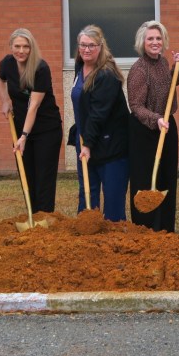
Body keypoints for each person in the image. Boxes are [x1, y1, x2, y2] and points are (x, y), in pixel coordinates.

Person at [0, 28, 63, 213]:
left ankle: (44, 217)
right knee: (26, 174)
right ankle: (32, 216)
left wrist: (24, 136)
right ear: (11, 46)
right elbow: (0, 80)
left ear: (32, 48)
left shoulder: (40, 68)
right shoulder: (7, 64)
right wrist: (5, 100)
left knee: (43, 177)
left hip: (46, 130)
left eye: (26, 46)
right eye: (17, 46)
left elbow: (33, 106)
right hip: (19, 127)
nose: (21, 51)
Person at [128, 21, 179, 233]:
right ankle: (145, 229)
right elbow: (135, 106)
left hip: (166, 126)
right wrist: (155, 119)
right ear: (142, 42)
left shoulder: (161, 63)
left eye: (158, 38)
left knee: (166, 178)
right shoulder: (139, 69)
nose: (155, 42)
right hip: (146, 131)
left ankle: (165, 229)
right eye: (150, 38)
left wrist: (177, 67)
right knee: (146, 180)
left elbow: (170, 86)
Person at [69, 25, 129, 222]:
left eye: (92, 46)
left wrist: (87, 145)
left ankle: (114, 240)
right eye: (83, 45)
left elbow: (98, 114)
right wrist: (84, 142)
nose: (87, 49)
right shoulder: (80, 68)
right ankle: (88, 236)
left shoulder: (106, 75)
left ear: (101, 47)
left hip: (110, 144)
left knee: (112, 198)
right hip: (86, 139)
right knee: (87, 193)